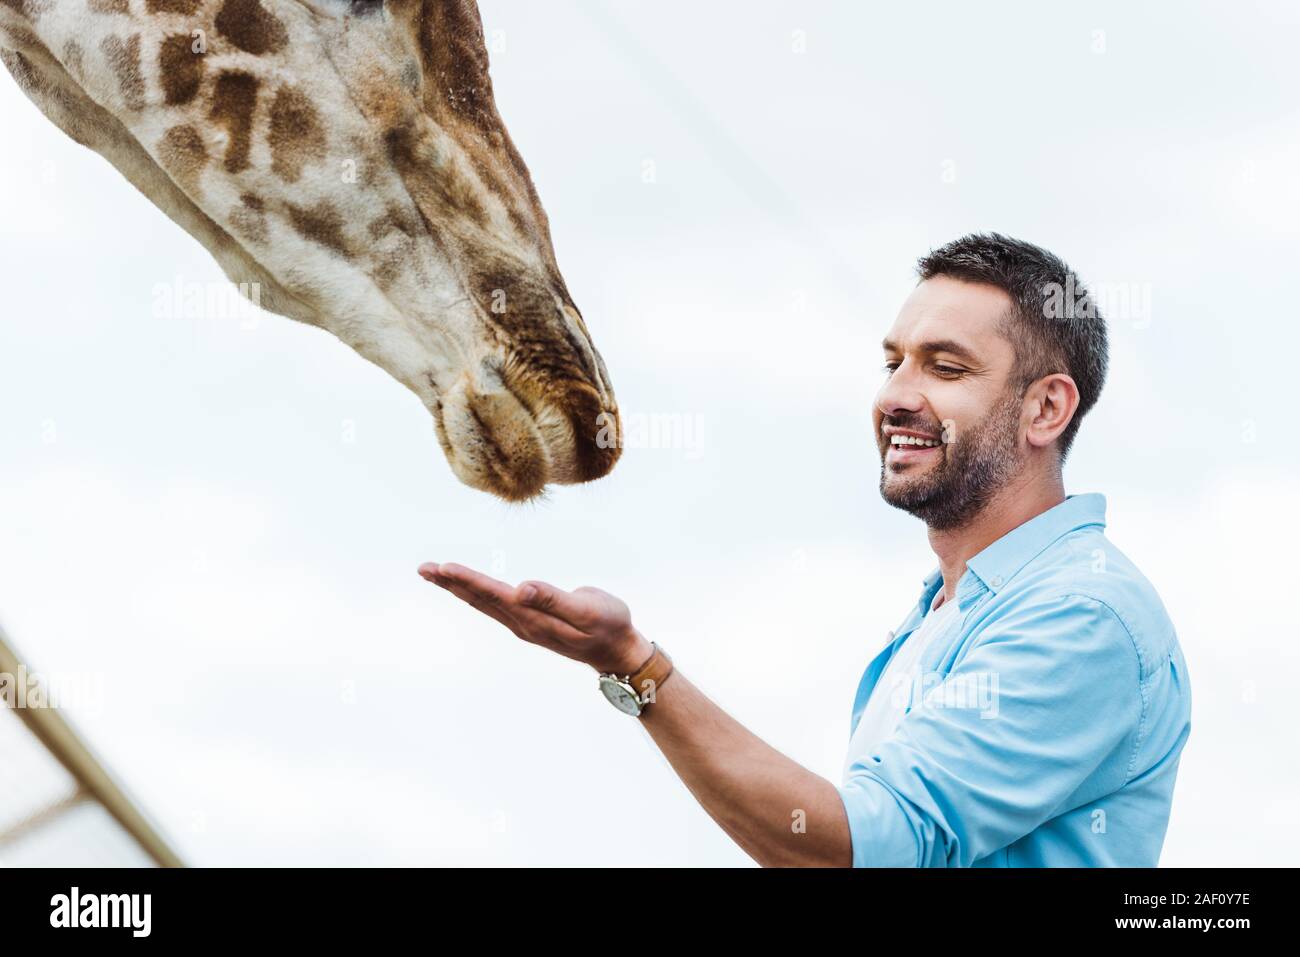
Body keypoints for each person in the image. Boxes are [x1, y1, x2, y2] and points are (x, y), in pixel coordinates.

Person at [417, 232, 1192, 867]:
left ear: (1046, 407)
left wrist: (637, 666)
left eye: (946, 366)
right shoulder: (946, 609)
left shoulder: (1080, 614)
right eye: (894, 361)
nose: (895, 395)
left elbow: (862, 848)